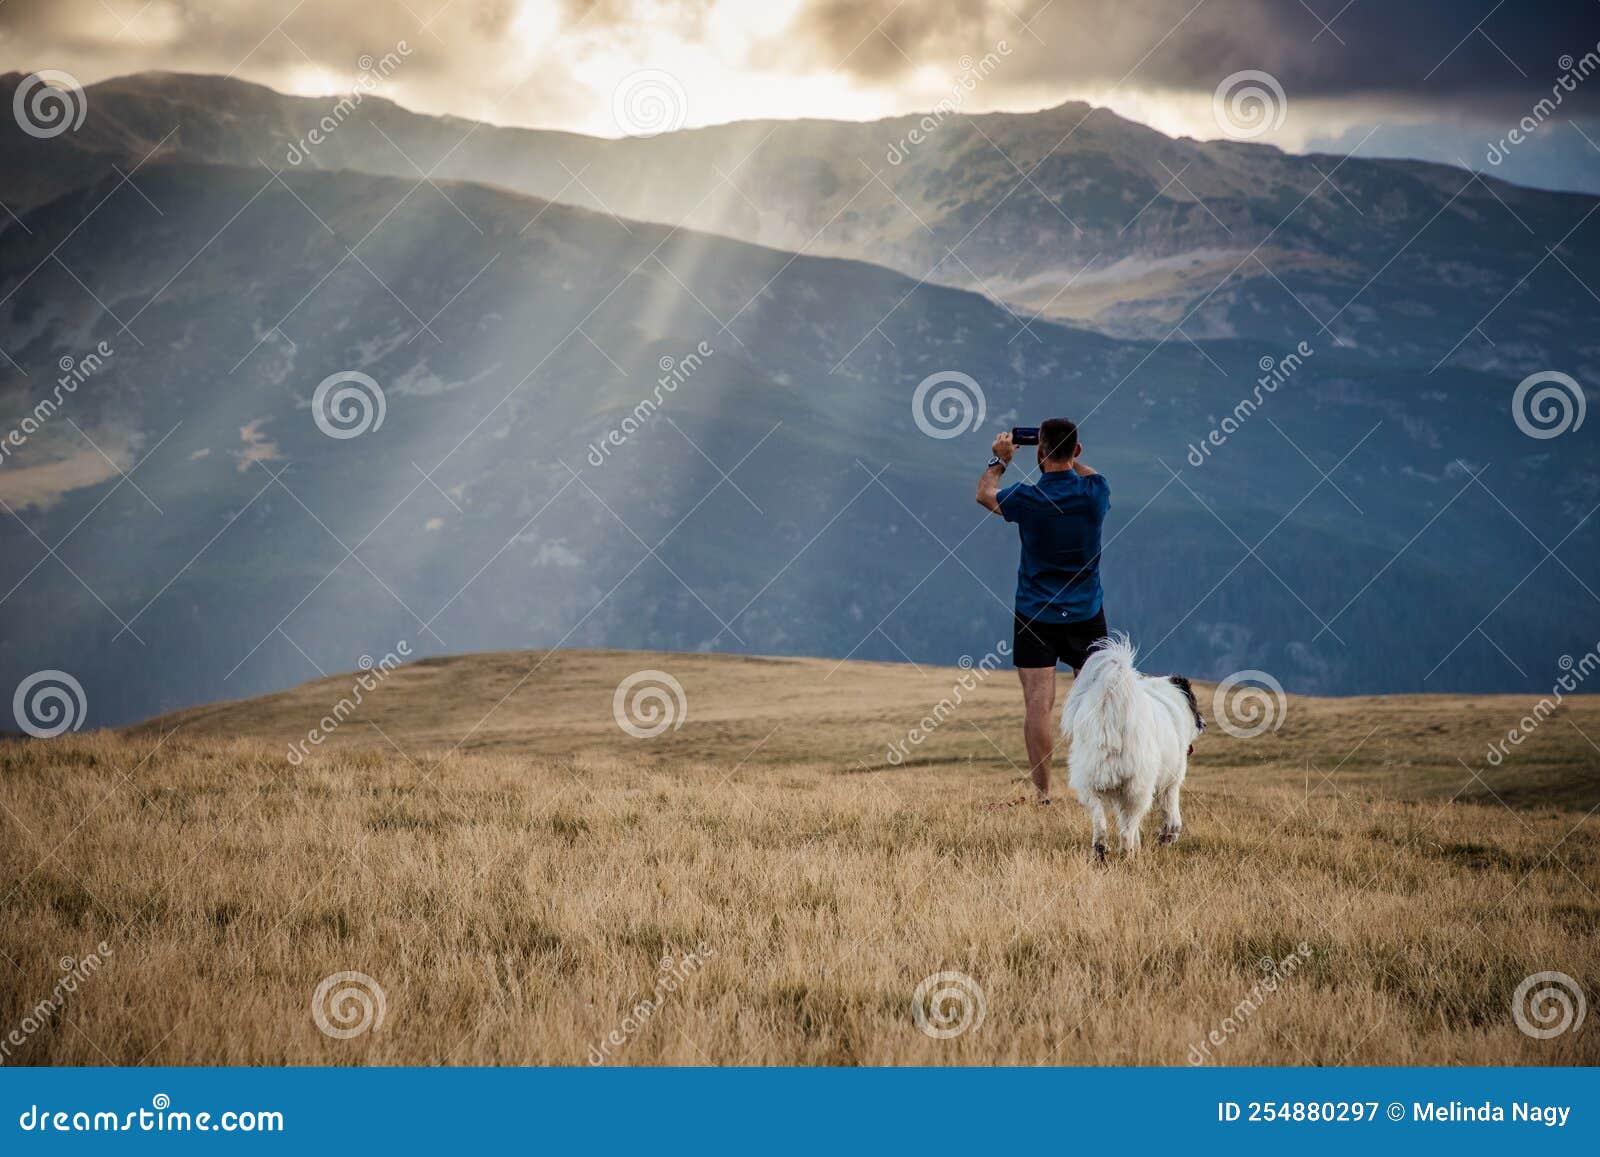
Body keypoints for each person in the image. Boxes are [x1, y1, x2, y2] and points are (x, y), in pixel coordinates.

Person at [975, 418, 1110, 806]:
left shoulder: (1027, 498)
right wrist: (1067, 458)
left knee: (1038, 704)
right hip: (1086, 612)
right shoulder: (1095, 492)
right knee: (1096, 701)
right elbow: (1090, 472)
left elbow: (985, 494)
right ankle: (1099, 789)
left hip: (1036, 613)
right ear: (1078, 451)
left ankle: (1042, 796)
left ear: (1039, 451)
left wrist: (999, 460)